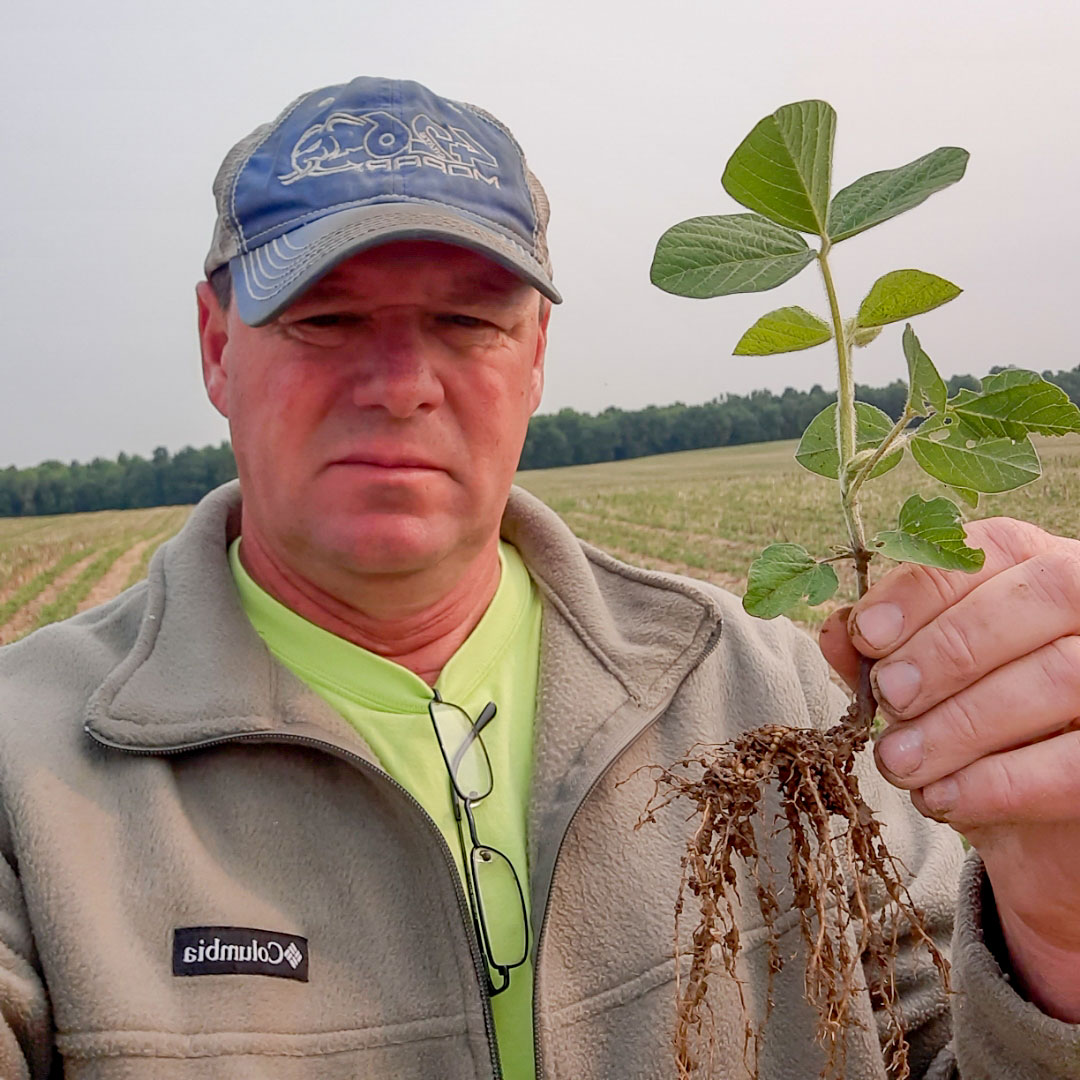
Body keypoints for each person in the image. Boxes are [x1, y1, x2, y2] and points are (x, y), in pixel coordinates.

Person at [0, 75, 1077, 1080]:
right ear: (215, 347)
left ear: (537, 356)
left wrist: (1055, 936)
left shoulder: (766, 691)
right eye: (323, 318)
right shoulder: (29, 771)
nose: (399, 384)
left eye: (467, 321)